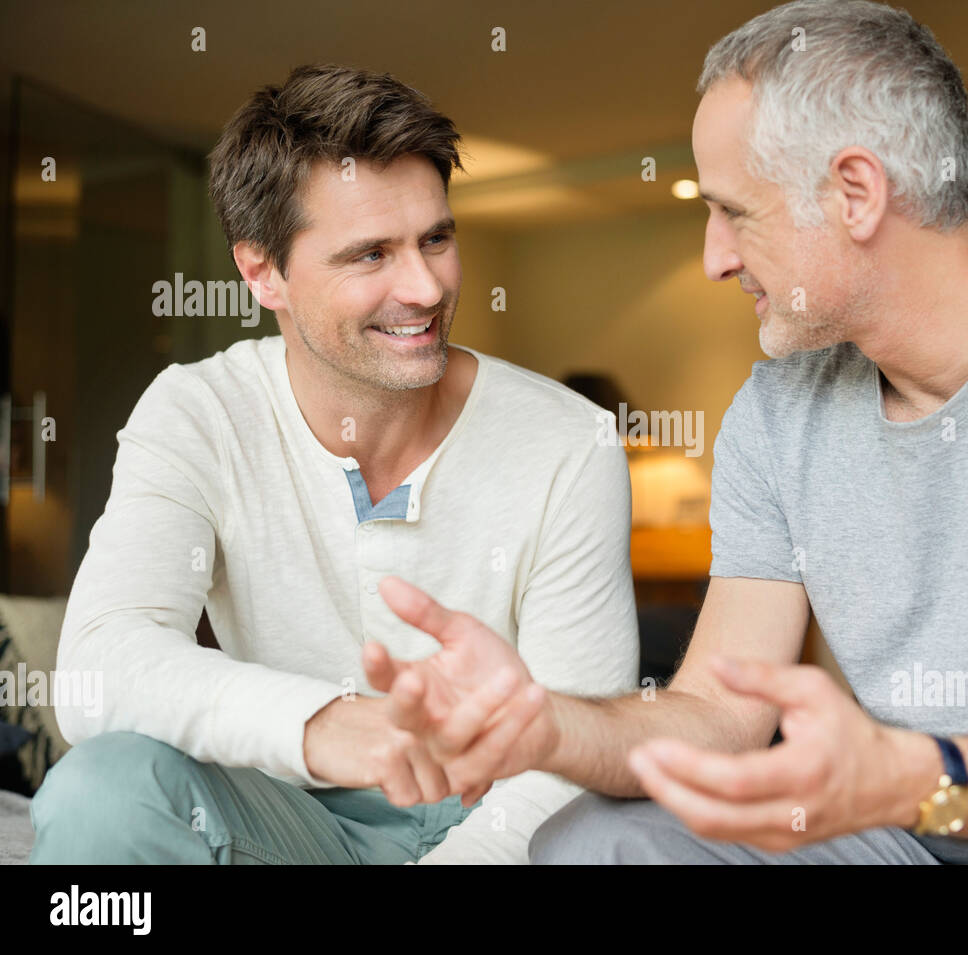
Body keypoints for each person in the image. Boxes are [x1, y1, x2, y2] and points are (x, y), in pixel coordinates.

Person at [373, 0, 968, 864]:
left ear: (856, 192)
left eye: (733, 210)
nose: (713, 258)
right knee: (598, 839)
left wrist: (904, 775)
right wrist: (548, 726)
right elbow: (715, 713)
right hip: (903, 838)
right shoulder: (776, 411)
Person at [29, 64, 638, 865]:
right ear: (263, 272)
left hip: (500, 818)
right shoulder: (197, 413)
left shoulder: (570, 440)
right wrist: (324, 724)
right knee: (99, 790)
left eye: (437, 239)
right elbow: (102, 665)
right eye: (371, 254)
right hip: (282, 804)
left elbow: (580, 750)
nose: (423, 287)